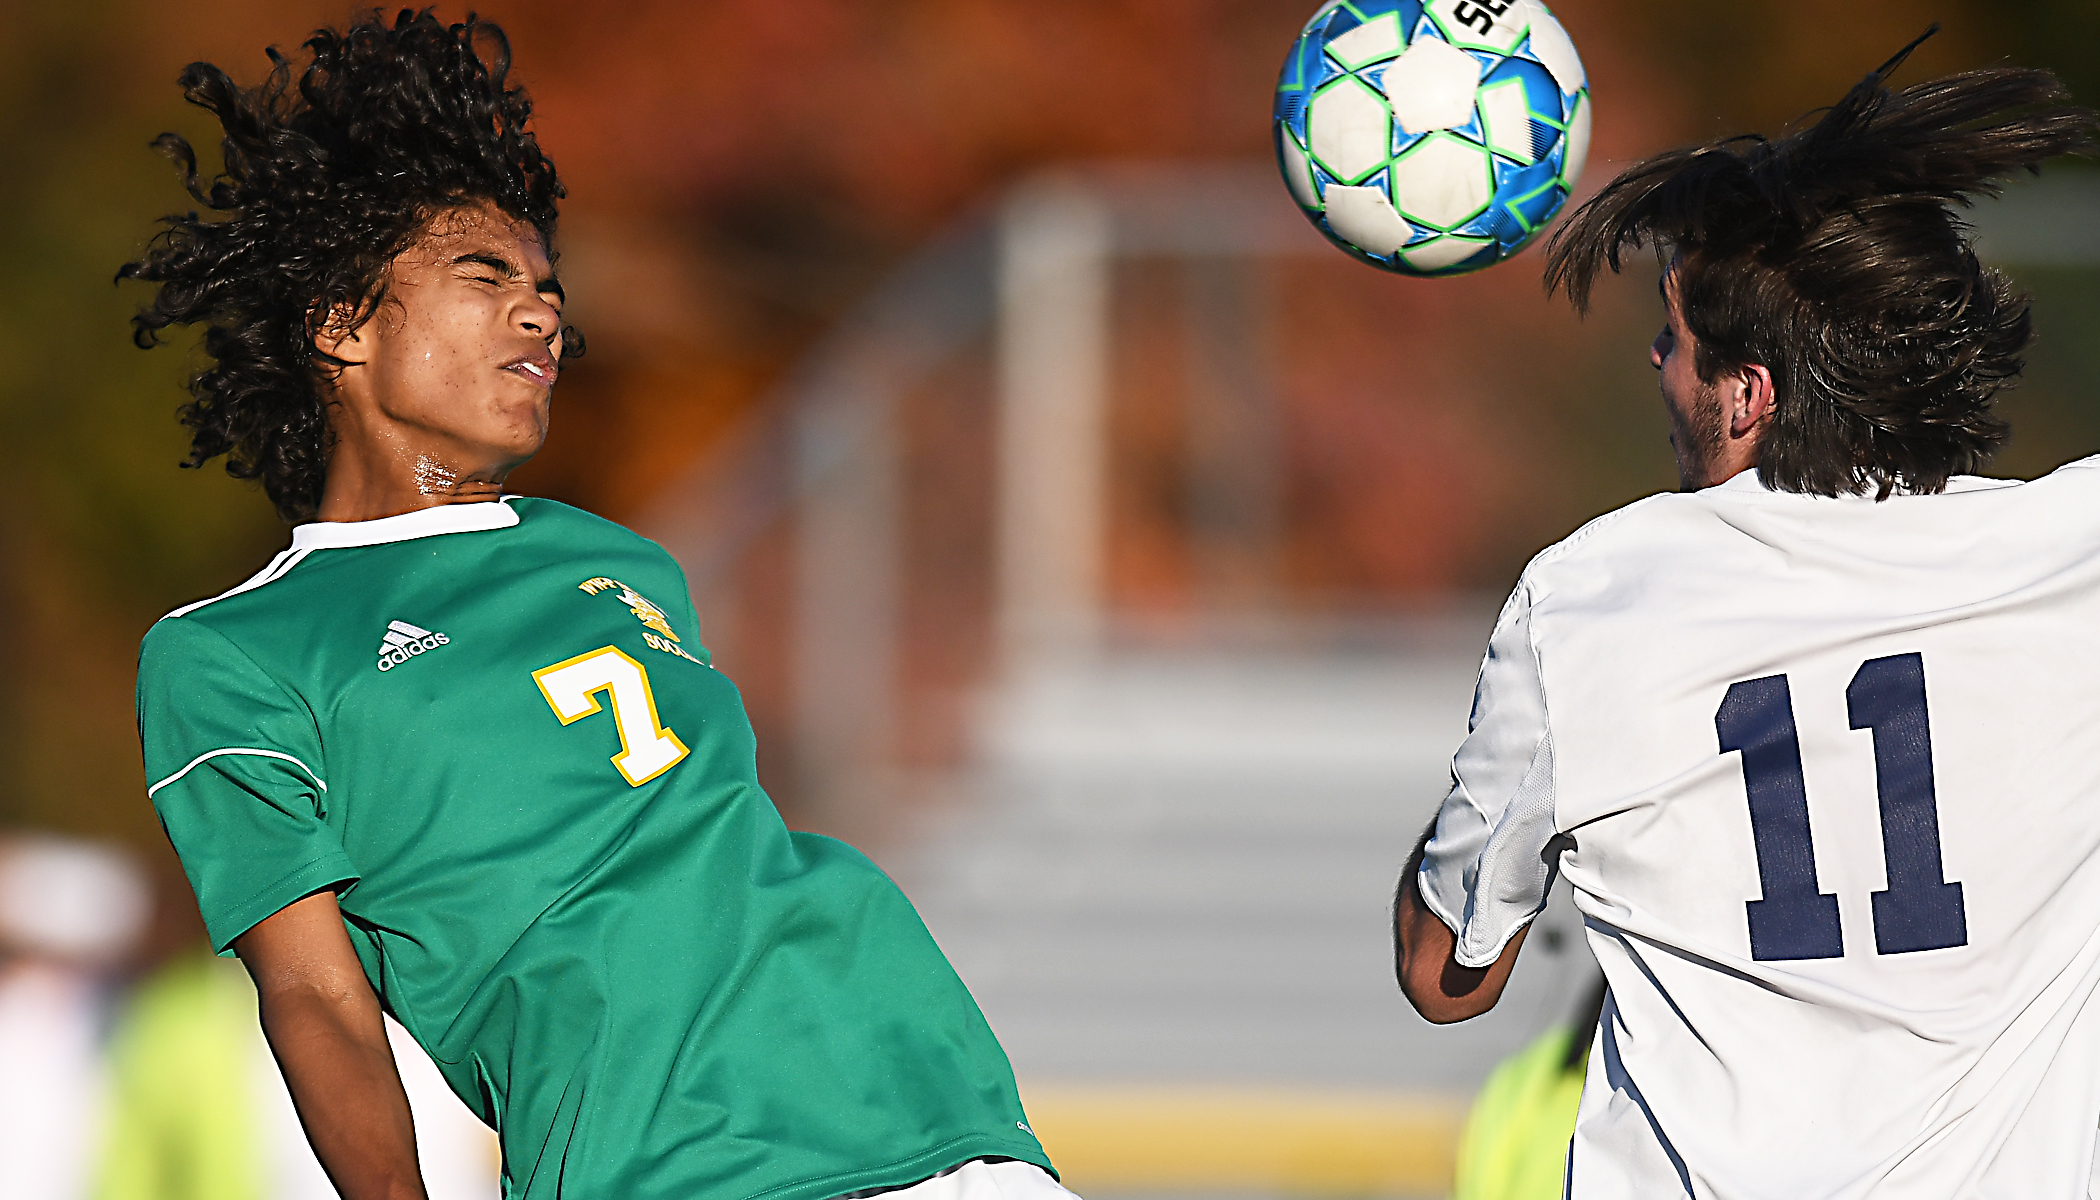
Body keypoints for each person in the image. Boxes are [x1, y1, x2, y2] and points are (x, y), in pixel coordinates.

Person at [122, 14, 1060, 1200]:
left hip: (930, 1110)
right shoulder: (232, 653)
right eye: (485, 278)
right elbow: (314, 994)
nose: (541, 315)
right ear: (340, 325)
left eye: (548, 291)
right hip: (663, 1166)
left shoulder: (621, 560)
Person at [1389, 32, 2100, 1197]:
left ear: (1748, 395)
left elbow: (1445, 977)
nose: (1654, 361)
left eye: (1673, 338)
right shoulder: (2073, 556)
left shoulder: (1594, 597)